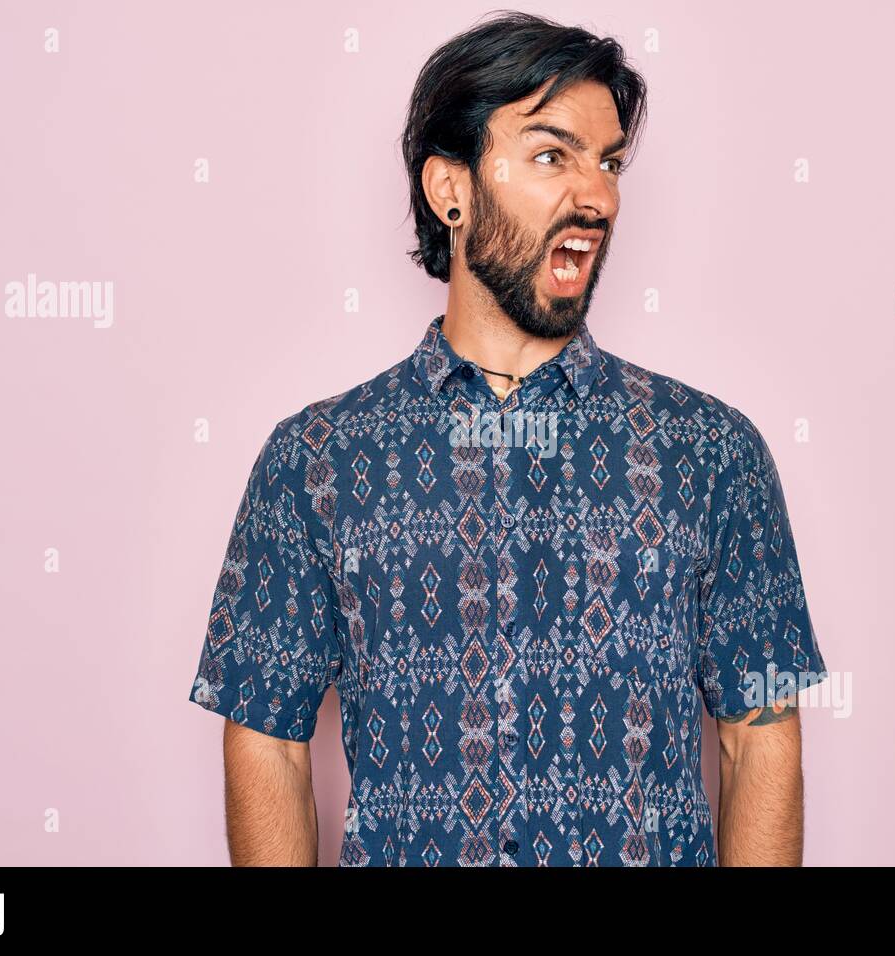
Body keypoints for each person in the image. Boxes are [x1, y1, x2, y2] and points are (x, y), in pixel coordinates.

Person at [188, 10, 828, 867]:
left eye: (607, 164)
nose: (595, 196)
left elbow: (764, 736)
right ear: (449, 190)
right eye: (551, 155)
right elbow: (265, 734)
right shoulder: (314, 462)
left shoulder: (716, 454)